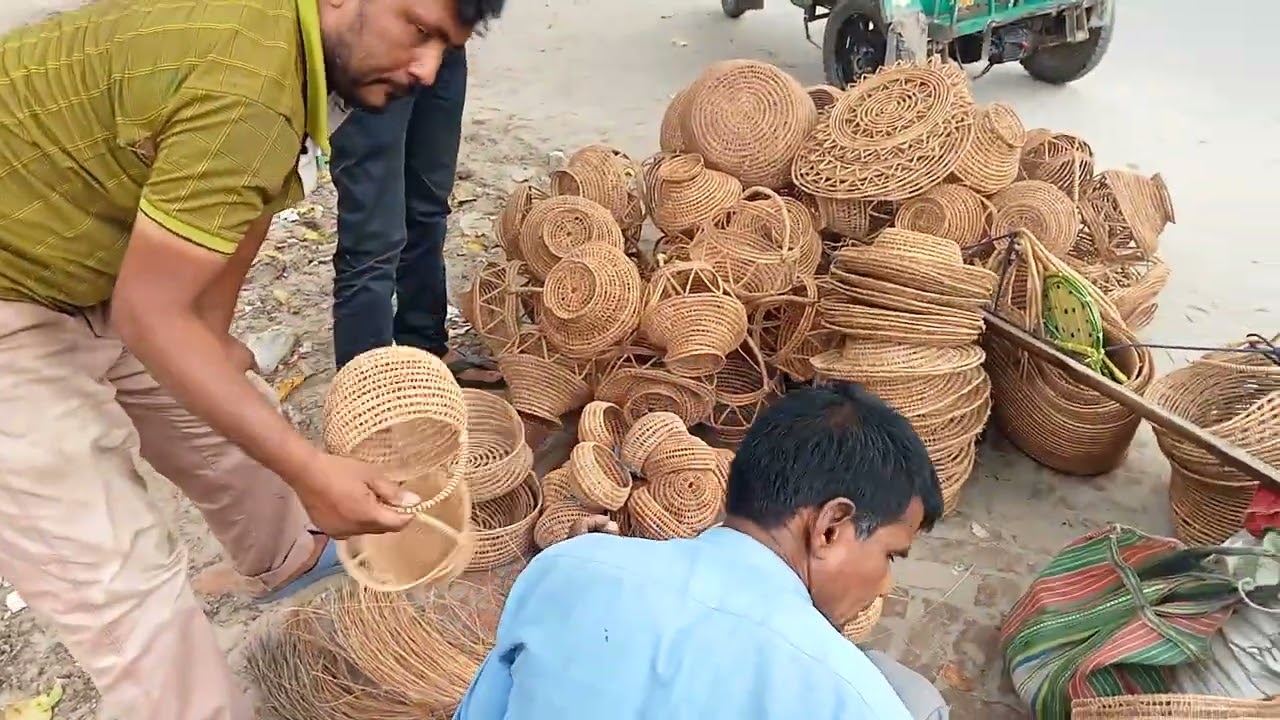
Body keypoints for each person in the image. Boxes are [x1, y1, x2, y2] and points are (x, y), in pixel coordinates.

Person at [0, 0, 503, 718]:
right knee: (121, 581)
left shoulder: (296, 50)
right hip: (17, 297)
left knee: (229, 419)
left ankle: (292, 557)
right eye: (417, 30)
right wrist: (311, 470)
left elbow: (251, 193)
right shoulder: (249, 82)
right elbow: (150, 314)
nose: (427, 69)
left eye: (447, 47)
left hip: (86, 266)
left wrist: (212, 331)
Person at [454, 381, 951, 720]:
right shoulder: (855, 700)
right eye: (890, 555)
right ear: (830, 527)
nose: (884, 583)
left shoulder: (562, 568)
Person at [329, 47, 502, 386]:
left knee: (427, 208)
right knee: (372, 238)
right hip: (374, 39)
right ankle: (367, 404)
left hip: (444, 37)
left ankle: (423, 345)